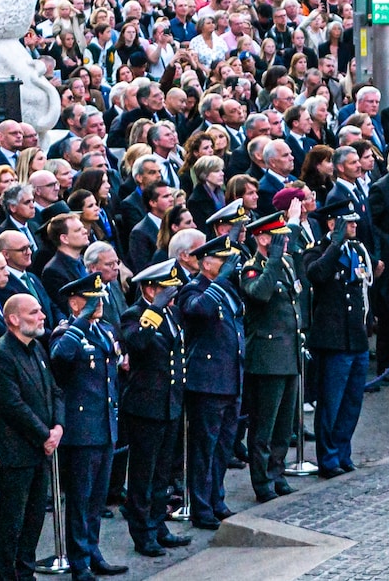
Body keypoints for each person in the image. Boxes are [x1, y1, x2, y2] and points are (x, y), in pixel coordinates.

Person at [0, 291, 59, 579]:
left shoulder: (36, 348)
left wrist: (58, 427)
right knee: (12, 523)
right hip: (15, 453)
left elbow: (54, 390)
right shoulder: (0, 355)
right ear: (13, 319)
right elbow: (12, 405)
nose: (42, 316)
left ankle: (26, 573)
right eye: (34, 312)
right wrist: (45, 435)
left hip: (40, 450)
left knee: (34, 519)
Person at [47, 278, 122, 578]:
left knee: (96, 499)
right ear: (74, 302)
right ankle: (79, 561)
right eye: (91, 299)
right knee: (80, 499)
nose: (98, 304)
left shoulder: (104, 330)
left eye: (99, 298)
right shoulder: (67, 331)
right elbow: (60, 356)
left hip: (104, 424)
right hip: (82, 429)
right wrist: (80, 320)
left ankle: (93, 551)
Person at [117, 260, 190, 551]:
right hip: (145, 406)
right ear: (150, 289)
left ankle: (158, 525)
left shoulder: (171, 314)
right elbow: (137, 343)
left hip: (169, 403)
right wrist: (154, 310)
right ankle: (142, 532)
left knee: (162, 473)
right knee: (143, 474)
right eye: (165, 289)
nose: (171, 295)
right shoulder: (135, 315)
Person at [172, 235, 242, 530]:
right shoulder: (193, 289)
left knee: (223, 446)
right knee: (204, 448)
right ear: (206, 263)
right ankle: (201, 506)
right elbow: (198, 310)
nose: (227, 266)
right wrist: (219, 281)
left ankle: (216, 498)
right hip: (207, 382)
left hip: (230, 378)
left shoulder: (227, 289)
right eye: (221, 261)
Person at [300, 193, 372, 473]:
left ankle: (343, 452)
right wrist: (335, 244)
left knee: (352, 402)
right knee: (331, 402)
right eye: (348, 222)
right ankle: (328, 458)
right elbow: (317, 274)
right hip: (332, 339)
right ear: (332, 224)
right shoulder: (317, 250)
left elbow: (363, 290)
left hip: (356, 337)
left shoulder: (357, 250)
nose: (354, 226)